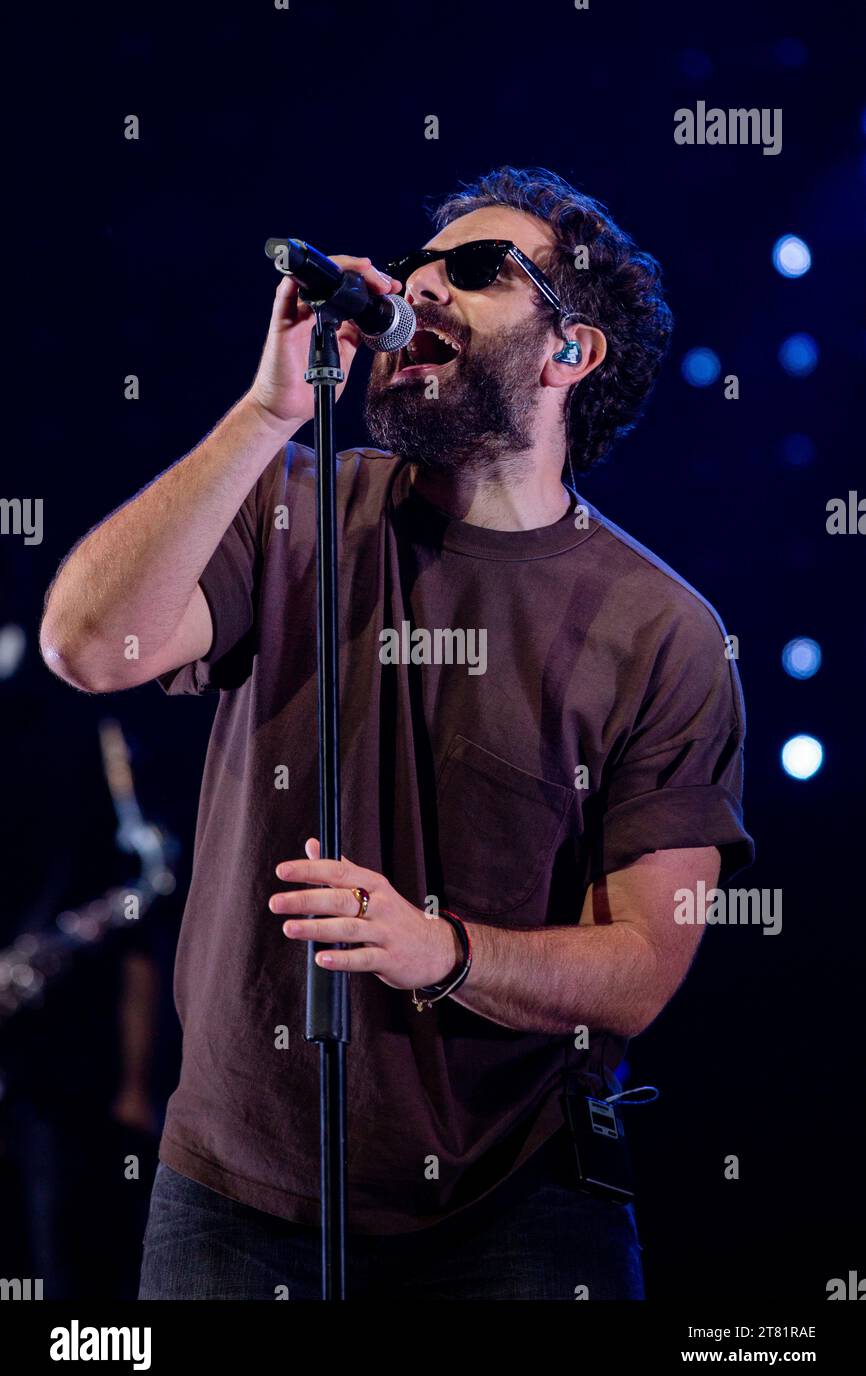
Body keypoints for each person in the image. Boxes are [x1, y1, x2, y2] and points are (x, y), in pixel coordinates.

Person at [40, 165, 754, 1301]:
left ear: (572, 353)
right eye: (419, 265)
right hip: (234, 1193)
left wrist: (444, 951)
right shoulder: (290, 509)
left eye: (475, 271)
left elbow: (639, 967)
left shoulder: (660, 631)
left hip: (515, 1212)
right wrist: (266, 412)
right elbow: (85, 645)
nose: (420, 287)